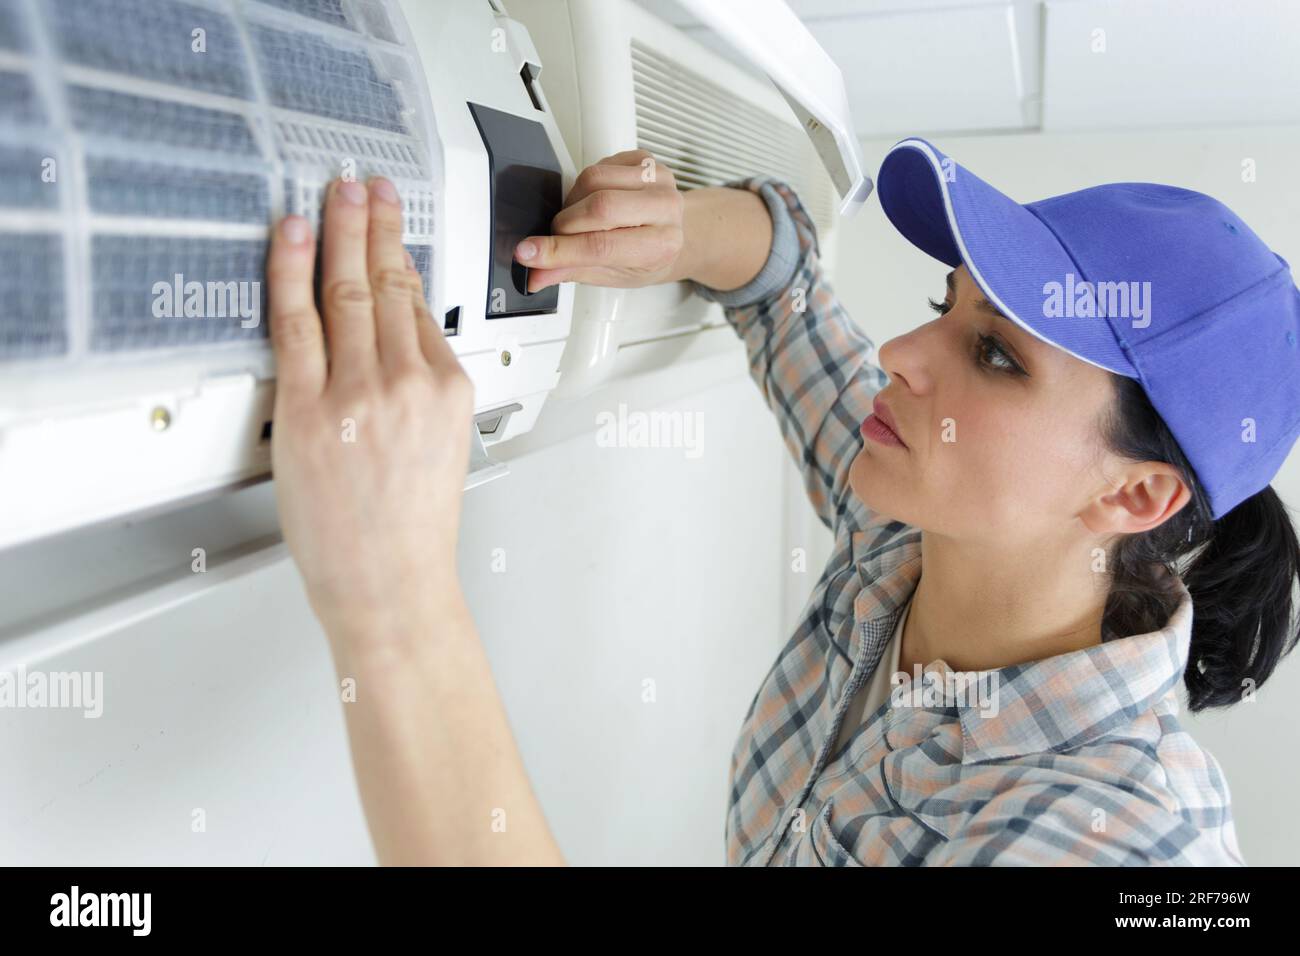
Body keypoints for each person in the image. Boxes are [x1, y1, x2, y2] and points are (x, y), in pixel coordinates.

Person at [264, 136, 1300, 865]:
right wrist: (677, 230)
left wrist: (390, 601)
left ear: (1134, 491)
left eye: (993, 355)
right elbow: (781, 284)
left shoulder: (1115, 842)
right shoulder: (912, 528)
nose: (900, 355)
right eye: (945, 308)